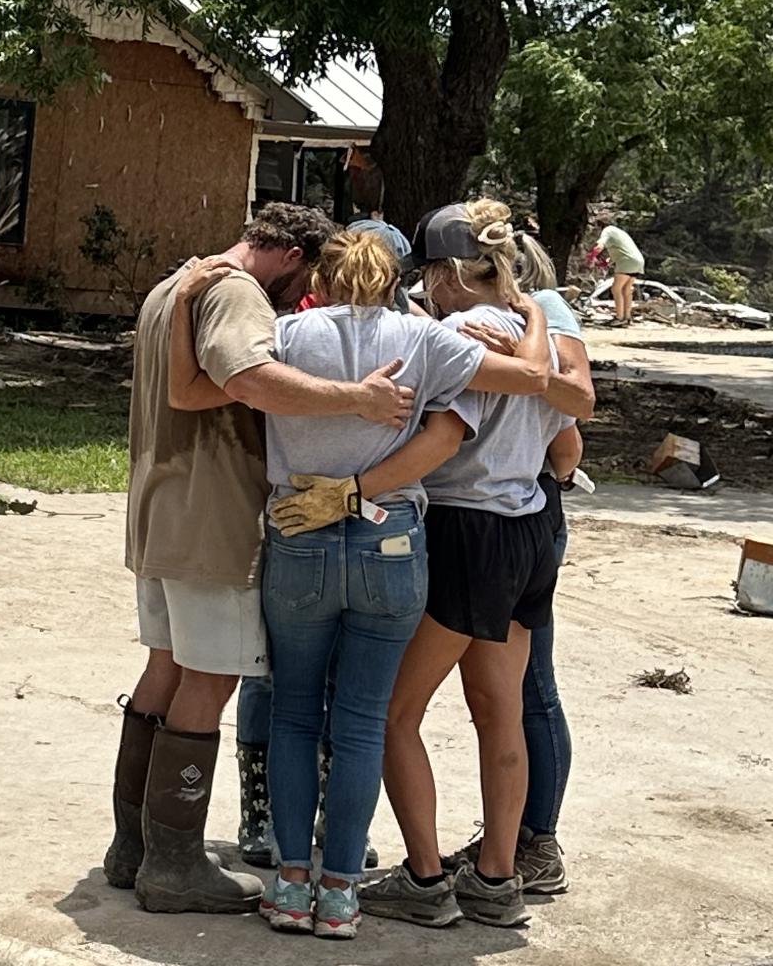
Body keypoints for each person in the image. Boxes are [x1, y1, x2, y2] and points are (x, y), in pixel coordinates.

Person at [180, 229, 552, 938]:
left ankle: (291, 885)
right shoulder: (426, 339)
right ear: (395, 279)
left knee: (292, 712)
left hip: (299, 535)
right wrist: (532, 313)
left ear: (321, 276)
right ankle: (343, 892)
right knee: (359, 721)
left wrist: (182, 309)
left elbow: (195, 386)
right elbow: (533, 380)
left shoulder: (287, 334)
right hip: (390, 541)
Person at [108, 203, 414, 916]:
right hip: (211, 514)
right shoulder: (237, 293)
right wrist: (357, 400)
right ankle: (174, 863)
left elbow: (192, 388)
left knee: (165, 668)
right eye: (306, 277)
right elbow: (247, 378)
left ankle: (136, 847)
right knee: (210, 679)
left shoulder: (175, 284)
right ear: (292, 257)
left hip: (160, 507)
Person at [355, 200, 573, 929]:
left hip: (464, 530)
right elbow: (567, 452)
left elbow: (444, 440)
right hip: (530, 527)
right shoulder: (530, 336)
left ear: (449, 274)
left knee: (392, 714)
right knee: (498, 711)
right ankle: (497, 877)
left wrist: (354, 489)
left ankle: (422, 881)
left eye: (429, 278)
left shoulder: (457, 336)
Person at [234, 215, 420, 871]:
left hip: (311, 523)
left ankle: (300, 832)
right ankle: (293, 829)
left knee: (304, 688)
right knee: (308, 688)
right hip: (351, 525)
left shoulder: (303, 328)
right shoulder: (306, 321)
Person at [448, 232, 595, 894]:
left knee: (521, 690)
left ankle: (535, 840)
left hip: (499, 517)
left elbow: (577, 408)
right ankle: (509, 849)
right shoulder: (527, 320)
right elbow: (567, 447)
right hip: (531, 507)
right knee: (512, 693)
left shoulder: (541, 316)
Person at [598, 224, 645, 326]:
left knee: (616, 289)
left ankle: (619, 317)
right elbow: (621, 253)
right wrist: (606, 263)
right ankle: (627, 317)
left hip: (627, 262)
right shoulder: (621, 234)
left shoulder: (607, 230)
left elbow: (599, 246)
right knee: (627, 289)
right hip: (638, 261)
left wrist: (592, 256)